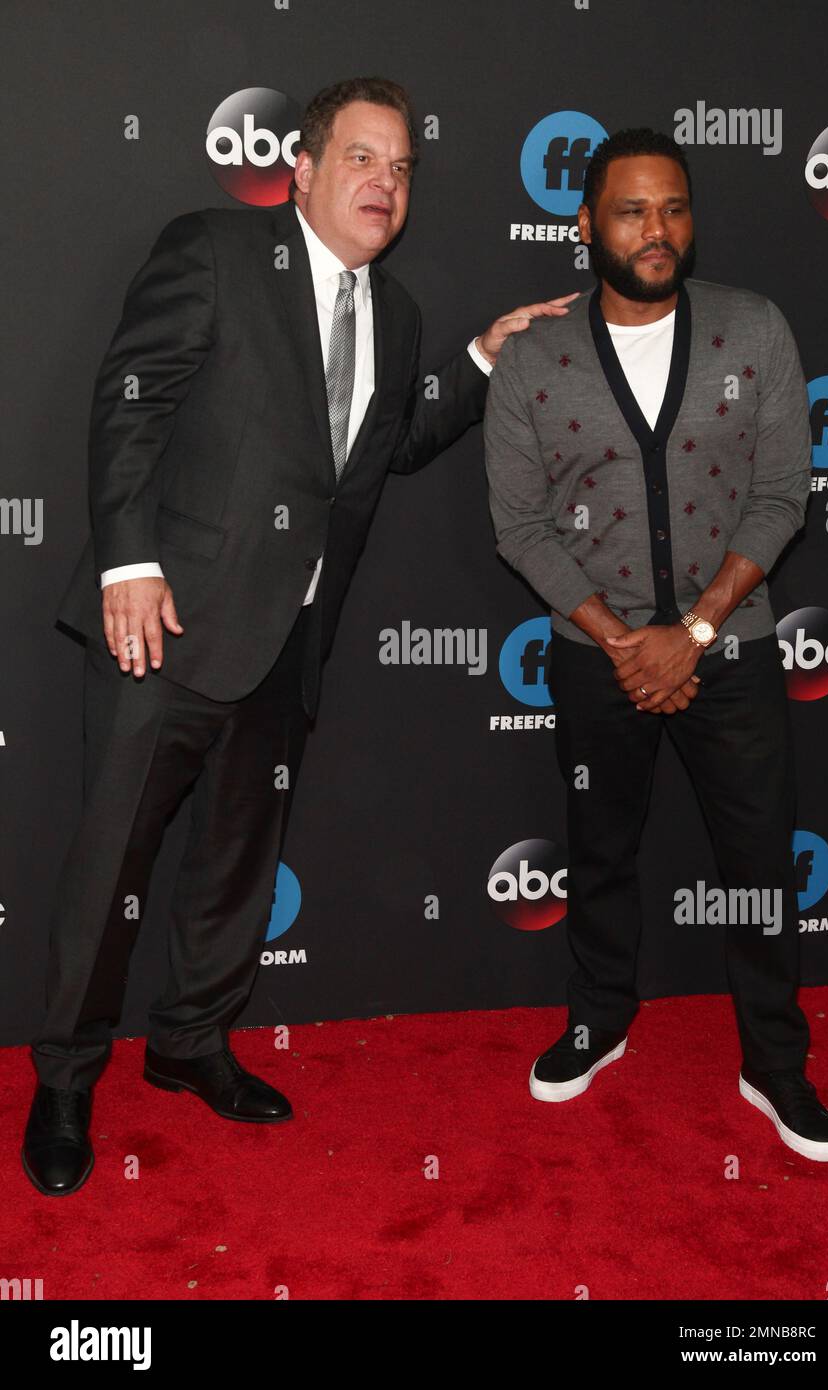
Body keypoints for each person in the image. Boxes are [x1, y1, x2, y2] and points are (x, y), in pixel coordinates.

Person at [24, 75, 577, 1197]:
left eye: (403, 168)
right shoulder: (220, 252)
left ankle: (188, 1043)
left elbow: (381, 447)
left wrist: (476, 361)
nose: (386, 183)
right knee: (108, 866)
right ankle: (68, 1080)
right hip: (166, 627)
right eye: (363, 159)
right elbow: (129, 399)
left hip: (289, 642)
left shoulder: (399, 314)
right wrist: (130, 561)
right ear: (305, 169)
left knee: (234, 870)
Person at [483, 127, 828, 1162]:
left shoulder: (751, 327)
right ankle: (598, 1017)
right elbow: (521, 528)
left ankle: (772, 1059)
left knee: (757, 860)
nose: (657, 230)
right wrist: (622, 642)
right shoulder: (534, 359)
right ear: (584, 223)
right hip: (594, 658)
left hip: (729, 650)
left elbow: (780, 495)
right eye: (633, 210)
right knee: (598, 851)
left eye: (674, 208)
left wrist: (689, 633)